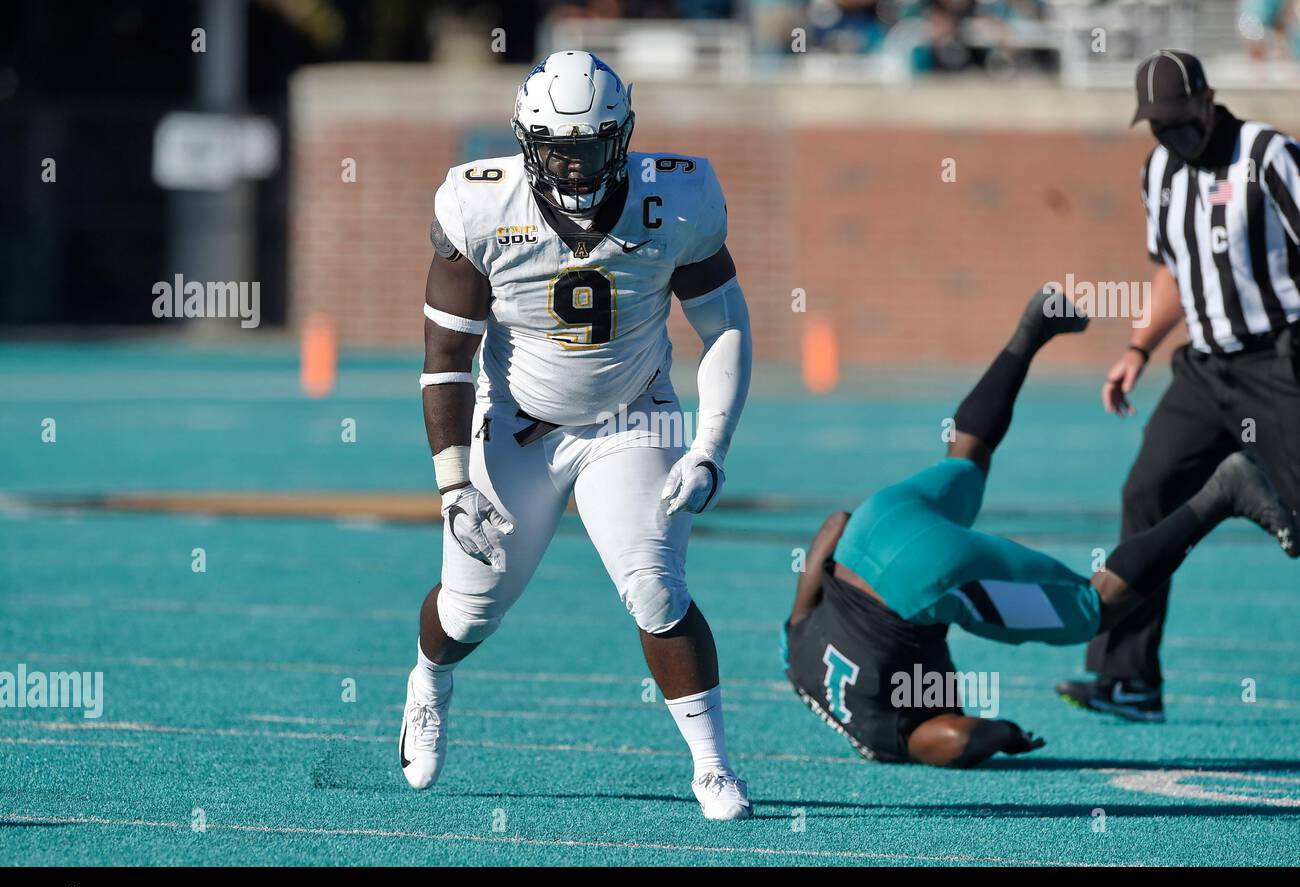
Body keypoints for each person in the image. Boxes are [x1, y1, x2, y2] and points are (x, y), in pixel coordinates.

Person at [400, 51, 754, 819]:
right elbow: (446, 357)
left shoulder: (676, 197)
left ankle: (713, 765)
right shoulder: (480, 206)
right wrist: (453, 483)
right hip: (517, 424)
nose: (570, 163)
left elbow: (724, 325)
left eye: (589, 146)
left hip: (634, 414)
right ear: (527, 142)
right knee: (469, 613)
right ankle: (429, 678)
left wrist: (710, 449)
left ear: (622, 138)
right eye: (555, 146)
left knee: (656, 587)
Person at [783, 290, 1297, 767]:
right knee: (966, 458)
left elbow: (959, 738)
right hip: (876, 524)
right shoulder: (797, 660)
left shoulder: (888, 735)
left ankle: (1223, 492)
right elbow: (835, 523)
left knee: (1092, 609)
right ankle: (1030, 334)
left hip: (927, 581)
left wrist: (1002, 734)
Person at [1058, 50, 1300, 721]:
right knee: (1148, 489)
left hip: (1280, 366)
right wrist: (1138, 345)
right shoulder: (1160, 171)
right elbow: (1173, 270)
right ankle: (1129, 677)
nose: (1173, 137)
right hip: (1206, 369)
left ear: (1208, 99)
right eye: (1159, 126)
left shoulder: (1267, 154)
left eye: (1181, 122)